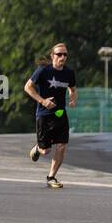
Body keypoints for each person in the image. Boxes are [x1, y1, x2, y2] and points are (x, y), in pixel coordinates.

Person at [24, 43, 77, 189]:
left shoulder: (69, 73)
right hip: (44, 114)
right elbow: (27, 87)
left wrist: (73, 99)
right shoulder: (43, 71)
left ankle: (51, 177)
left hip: (60, 114)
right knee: (45, 151)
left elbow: (72, 89)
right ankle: (37, 148)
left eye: (65, 54)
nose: (62, 57)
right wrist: (42, 101)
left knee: (62, 146)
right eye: (59, 54)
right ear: (52, 56)